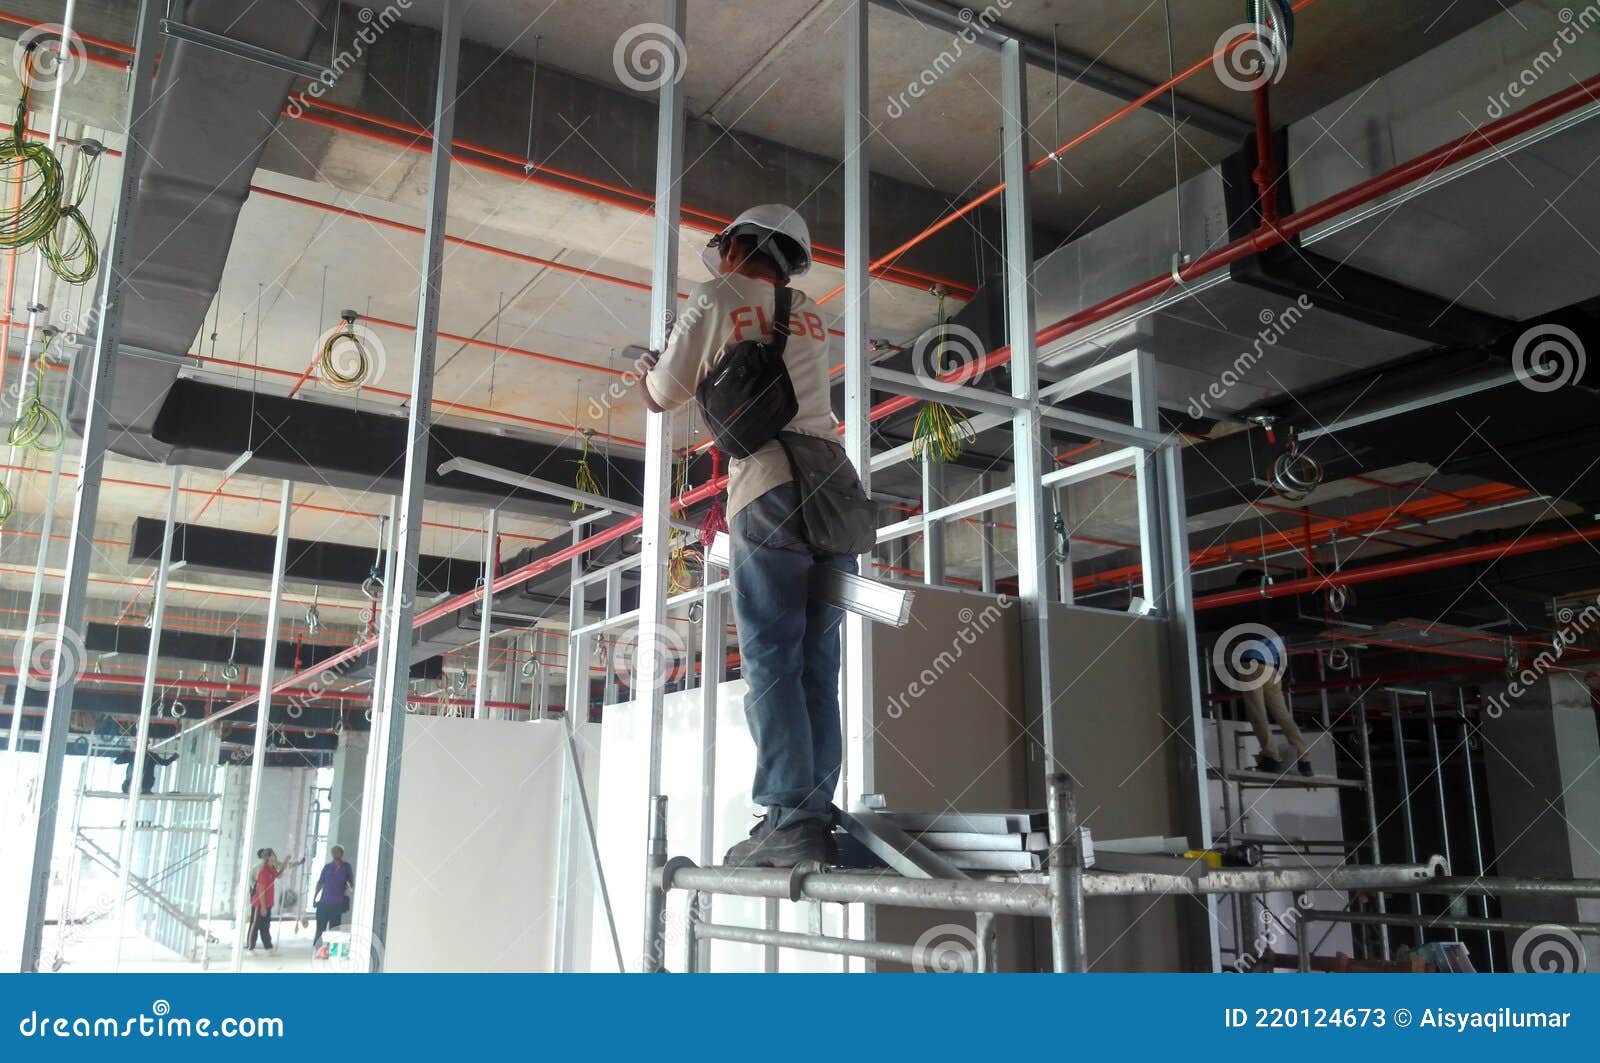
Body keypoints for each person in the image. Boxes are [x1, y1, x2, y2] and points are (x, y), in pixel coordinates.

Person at [642, 204, 853, 868]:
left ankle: (789, 814)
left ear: (740, 244)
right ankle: (812, 813)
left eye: (726, 245)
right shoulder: (810, 312)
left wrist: (655, 365)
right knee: (818, 662)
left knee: (770, 656)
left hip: (768, 488)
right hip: (834, 489)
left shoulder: (716, 295)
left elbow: (661, 393)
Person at [1234, 634, 1313, 777]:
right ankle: (1304, 758)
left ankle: (1271, 756)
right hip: (1272, 669)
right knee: (1283, 716)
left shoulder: (1252, 624)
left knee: (1258, 714)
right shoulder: (1278, 628)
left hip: (1251, 665)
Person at [245, 848, 300, 953]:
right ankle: (250, 946)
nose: (275, 857)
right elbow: (261, 889)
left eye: (274, 855)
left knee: (266, 925)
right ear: (267, 857)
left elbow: (278, 875)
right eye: (273, 855)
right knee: (255, 925)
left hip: (268, 902)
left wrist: (286, 862)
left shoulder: (271, 868)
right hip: (259, 903)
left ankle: (268, 946)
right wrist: (263, 906)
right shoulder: (263, 871)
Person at [311, 845, 353, 948]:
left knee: (334, 930)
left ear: (342, 854)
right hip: (324, 903)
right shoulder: (327, 867)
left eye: (337, 852)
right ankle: (318, 949)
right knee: (320, 929)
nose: (335, 854)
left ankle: (332, 950)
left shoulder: (346, 867)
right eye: (333, 852)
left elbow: (351, 884)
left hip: (337, 904)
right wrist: (314, 898)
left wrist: (349, 886)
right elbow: (320, 883)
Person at [113, 741, 179, 795]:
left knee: (126, 788)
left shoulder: (133, 755)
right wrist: (173, 758)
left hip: (136, 784)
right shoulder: (151, 755)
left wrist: (123, 753)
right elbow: (164, 763)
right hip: (146, 785)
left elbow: (117, 761)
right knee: (128, 787)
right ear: (147, 745)